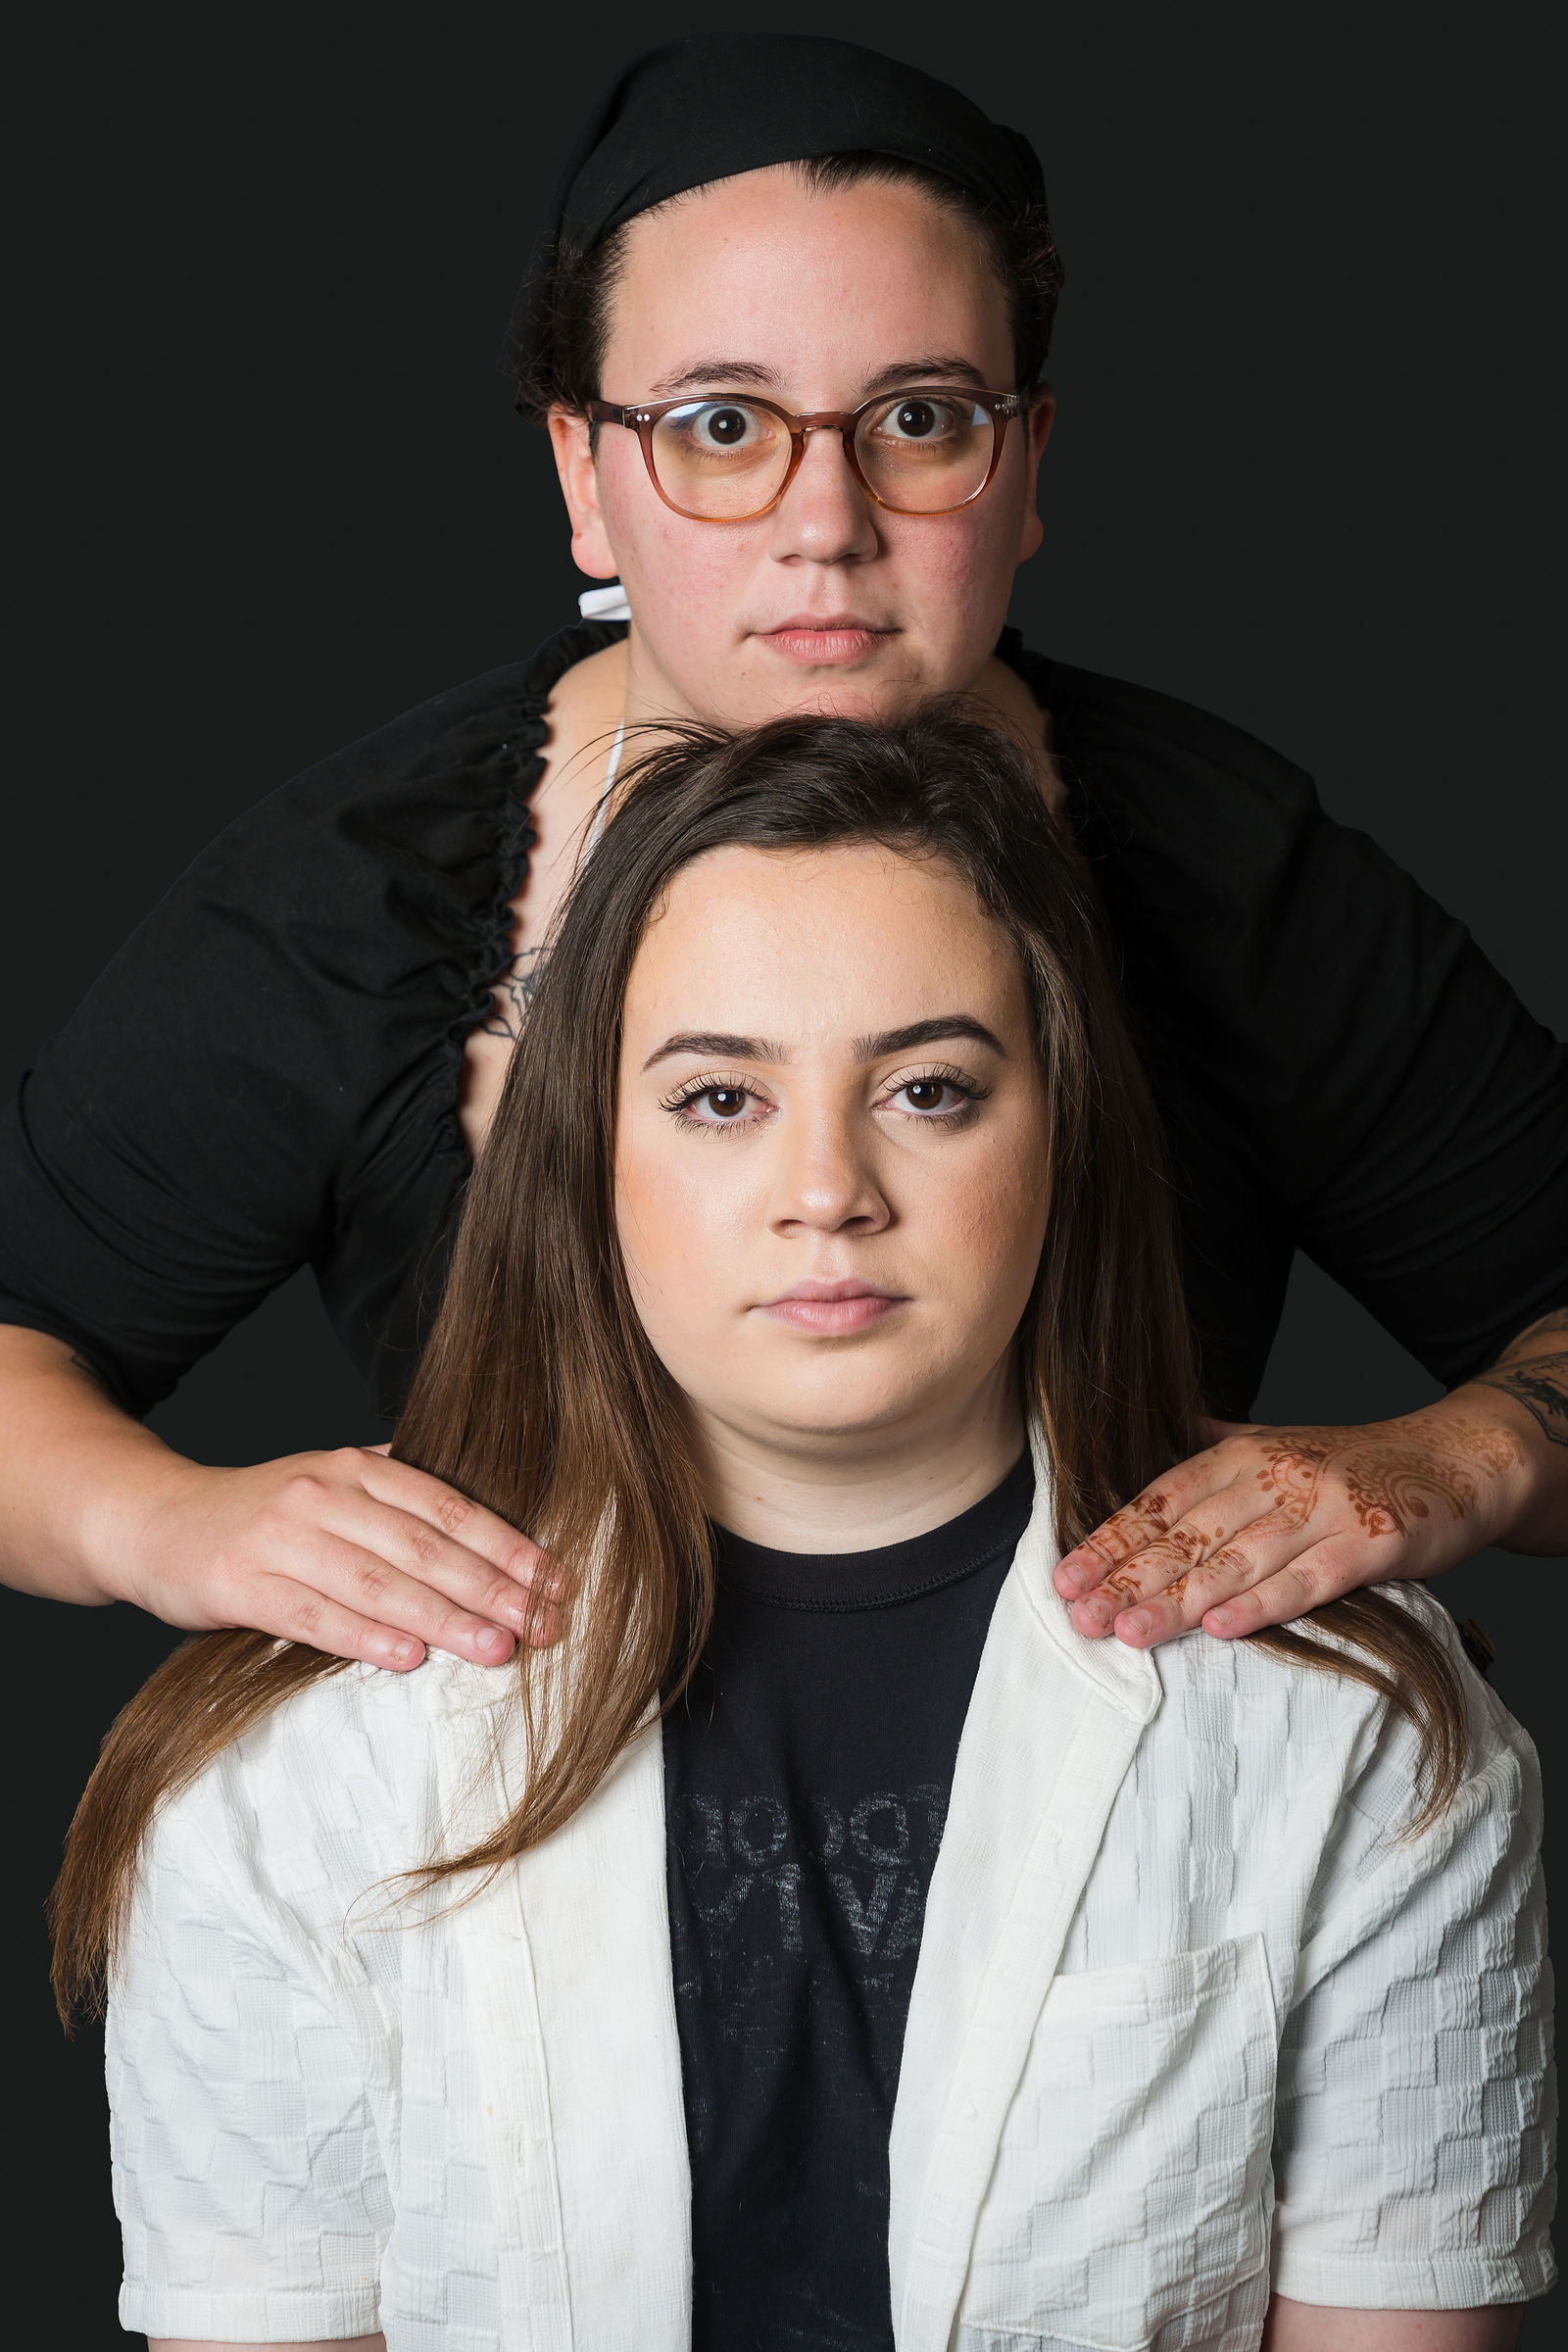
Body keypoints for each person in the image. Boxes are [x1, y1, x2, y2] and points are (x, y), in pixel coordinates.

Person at [3, 34, 1566, 1680]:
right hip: (520, 1863)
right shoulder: (363, 897)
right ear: (583, 477)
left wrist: (1457, 1462)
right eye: (721, 422)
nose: (825, 519)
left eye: (917, 416)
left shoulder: (1230, 871)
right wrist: (162, 1522)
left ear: (1028, 457)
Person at [54, 711, 1552, 2351]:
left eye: (928, 1088)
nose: (827, 1187)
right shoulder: (287, 1777)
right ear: (584, 1158)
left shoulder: (1367, 1736)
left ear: (1064, 1135)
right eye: (717, 1097)